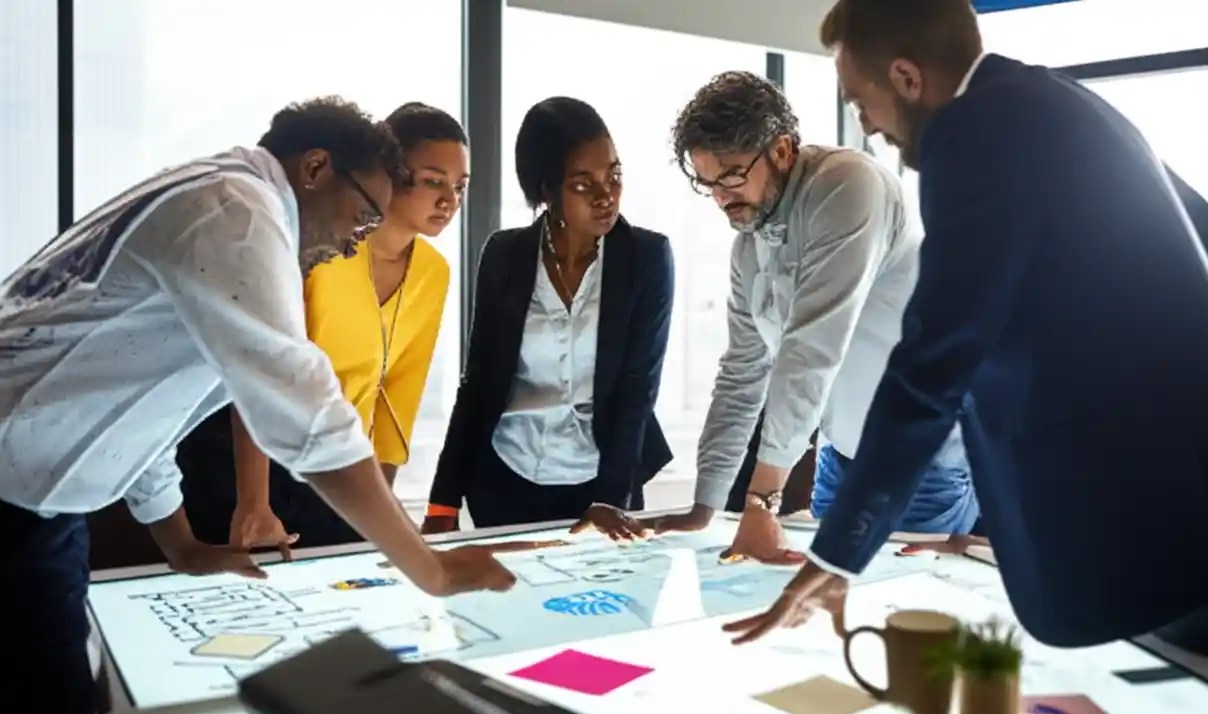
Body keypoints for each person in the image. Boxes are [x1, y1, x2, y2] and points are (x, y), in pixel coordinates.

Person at [727, 0, 1208, 691]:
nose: (864, 123)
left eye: (860, 101)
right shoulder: (1054, 99)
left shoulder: (974, 132)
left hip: (1192, 525)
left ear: (905, 77)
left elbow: (932, 362)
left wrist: (837, 555)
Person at [0, 96, 513, 714]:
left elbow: (147, 408)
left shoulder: (217, 196)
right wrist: (425, 566)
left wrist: (182, 544)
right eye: (358, 218)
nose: (352, 244)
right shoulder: (236, 211)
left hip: (41, 501)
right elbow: (304, 410)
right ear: (316, 168)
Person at [588, 70, 980, 558]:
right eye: (706, 182)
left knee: (907, 613)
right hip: (843, 456)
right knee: (831, 608)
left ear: (781, 150)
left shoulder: (848, 187)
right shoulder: (749, 248)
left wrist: (761, 501)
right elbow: (742, 376)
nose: (720, 198)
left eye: (730, 176)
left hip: (922, 457)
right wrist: (705, 505)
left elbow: (812, 349)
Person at [178, 102, 467, 553]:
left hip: (332, 465)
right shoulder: (324, 245)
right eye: (433, 181)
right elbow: (258, 372)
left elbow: (396, 399)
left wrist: (380, 508)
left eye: (460, 186)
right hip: (248, 460)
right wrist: (254, 504)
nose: (450, 199)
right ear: (390, 172)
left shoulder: (434, 272)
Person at [423, 97, 674, 537]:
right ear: (545, 190)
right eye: (583, 183)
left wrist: (610, 501)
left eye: (613, 176)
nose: (606, 195)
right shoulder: (504, 255)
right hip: (504, 480)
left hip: (602, 484)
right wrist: (443, 501)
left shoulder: (647, 258)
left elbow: (639, 390)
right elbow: (478, 382)